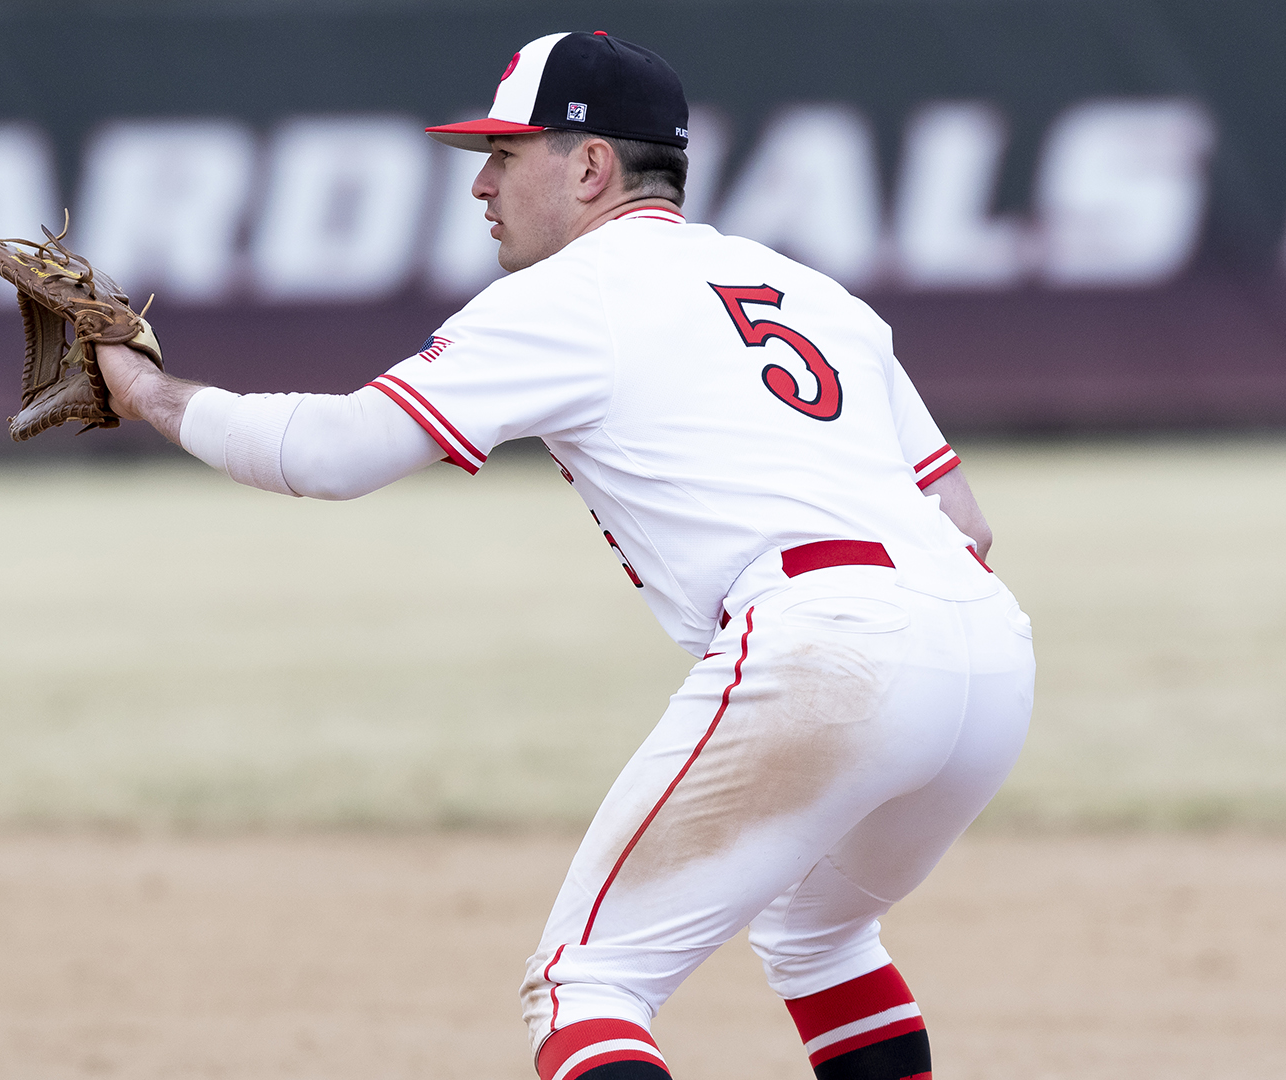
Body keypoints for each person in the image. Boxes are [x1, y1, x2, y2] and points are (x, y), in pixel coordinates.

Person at [92, 30, 1034, 1080]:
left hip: (827, 642)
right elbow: (964, 519)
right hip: (989, 654)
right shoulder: (814, 293)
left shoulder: (575, 294)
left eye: (506, 152)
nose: (482, 184)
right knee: (819, 937)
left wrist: (143, 392)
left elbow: (334, 454)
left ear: (589, 166)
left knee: (586, 985)